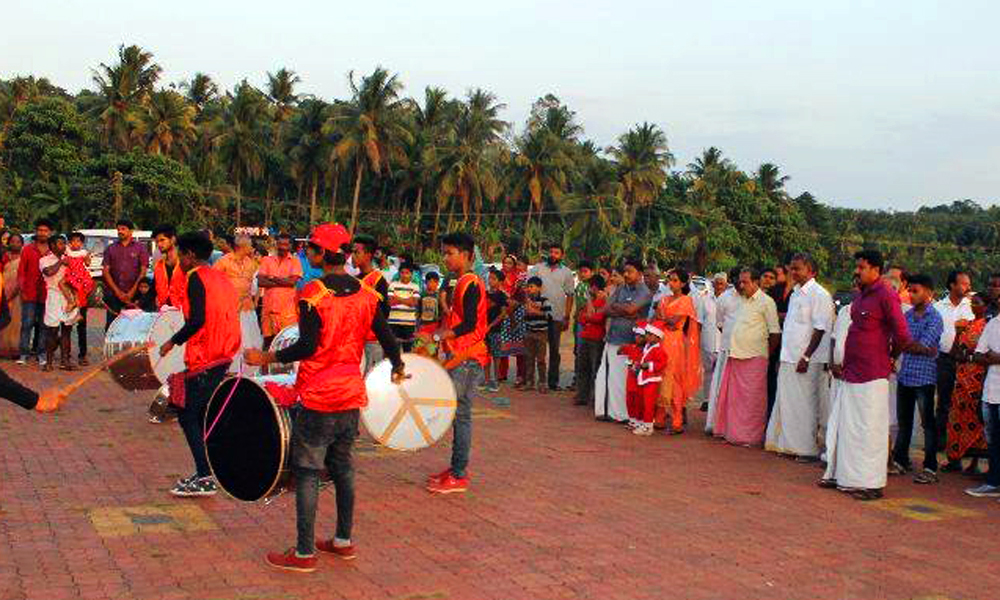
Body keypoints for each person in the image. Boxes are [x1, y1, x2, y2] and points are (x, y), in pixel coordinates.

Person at [244, 223, 404, 573]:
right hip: (349, 394)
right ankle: (342, 540)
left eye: (311, 249)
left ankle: (304, 553)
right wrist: (398, 365)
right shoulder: (365, 293)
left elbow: (306, 346)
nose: (309, 254)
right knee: (344, 468)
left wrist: (265, 358)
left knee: (307, 472)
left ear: (319, 253)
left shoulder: (314, 292)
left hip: (318, 395)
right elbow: (387, 335)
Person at [820, 250, 912, 501]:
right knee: (849, 427)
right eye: (857, 267)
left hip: (873, 374)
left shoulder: (886, 295)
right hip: (851, 371)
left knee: (870, 429)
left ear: (876, 270)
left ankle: (871, 484)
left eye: (861, 267)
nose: (857, 271)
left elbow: (903, 335)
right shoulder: (860, 296)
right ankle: (846, 477)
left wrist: (891, 356)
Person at [158, 232, 242, 498]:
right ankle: (206, 469)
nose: (180, 259)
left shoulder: (196, 277)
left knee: (188, 415)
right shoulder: (221, 277)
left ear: (190, 255)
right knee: (202, 414)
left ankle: (206, 476)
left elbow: (197, 320)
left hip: (206, 355)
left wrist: (172, 341)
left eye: (181, 254)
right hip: (223, 352)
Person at [418, 232, 488, 495]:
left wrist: (437, 335)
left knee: (461, 416)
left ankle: (459, 474)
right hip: (463, 356)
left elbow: (469, 323)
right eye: (445, 252)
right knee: (458, 416)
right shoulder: (463, 281)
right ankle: (455, 469)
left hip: (468, 358)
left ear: (467, 255)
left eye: (450, 253)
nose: (445, 257)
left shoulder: (470, 282)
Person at [765, 253, 834, 461]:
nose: (793, 273)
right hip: (788, 356)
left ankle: (806, 449)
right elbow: (791, 327)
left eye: (798, 269)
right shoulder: (795, 293)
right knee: (787, 402)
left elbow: (820, 328)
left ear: (811, 271)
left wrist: (806, 356)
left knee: (805, 404)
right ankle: (787, 445)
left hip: (806, 359)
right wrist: (782, 357)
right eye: (791, 269)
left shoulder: (819, 294)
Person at [713, 268, 781, 446]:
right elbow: (725, 323)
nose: (741, 286)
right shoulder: (739, 299)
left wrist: (765, 354)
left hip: (756, 357)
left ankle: (750, 437)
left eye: (746, 282)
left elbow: (774, 333)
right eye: (740, 282)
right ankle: (733, 434)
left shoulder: (767, 302)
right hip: (735, 354)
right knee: (734, 400)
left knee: (753, 401)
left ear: (756, 282)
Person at [889, 273, 944, 484]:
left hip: (924, 379)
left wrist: (906, 344)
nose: (910, 295)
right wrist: (906, 347)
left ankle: (930, 467)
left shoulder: (935, 317)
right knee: (904, 423)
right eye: (909, 290)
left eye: (915, 290)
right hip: (905, 375)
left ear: (929, 293)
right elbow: (903, 342)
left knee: (927, 424)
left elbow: (923, 346)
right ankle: (901, 461)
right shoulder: (908, 315)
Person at [594, 258, 651, 422]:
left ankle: (624, 415)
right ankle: (610, 412)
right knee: (609, 378)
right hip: (612, 338)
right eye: (625, 271)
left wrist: (621, 309)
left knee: (623, 380)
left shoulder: (644, 292)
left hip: (630, 342)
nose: (626, 274)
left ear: (639, 274)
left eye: (630, 271)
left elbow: (632, 309)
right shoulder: (621, 288)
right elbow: (605, 309)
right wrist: (625, 311)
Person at [946, 293, 988, 473]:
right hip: (961, 380)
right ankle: (955, 460)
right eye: (972, 303)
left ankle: (975, 462)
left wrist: (968, 356)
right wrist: (957, 334)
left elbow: (985, 356)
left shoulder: (988, 326)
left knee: (976, 422)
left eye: (977, 303)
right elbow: (954, 353)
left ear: (985, 306)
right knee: (956, 419)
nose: (973, 306)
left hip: (977, 381)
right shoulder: (967, 325)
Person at [655, 269, 701, 434]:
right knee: (660, 377)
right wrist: (664, 319)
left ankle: (676, 421)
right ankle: (659, 419)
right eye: (670, 280)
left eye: (675, 280)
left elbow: (673, 323)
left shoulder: (685, 300)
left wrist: (663, 318)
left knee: (674, 379)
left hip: (675, 343)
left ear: (682, 283)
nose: (671, 283)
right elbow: (658, 319)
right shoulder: (664, 299)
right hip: (661, 341)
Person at [933, 270, 974, 451]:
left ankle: (962, 443)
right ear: (952, 285)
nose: (968, 287)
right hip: (944, 359)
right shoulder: (938, 307)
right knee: (944, 401)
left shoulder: (973, 306)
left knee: (964, 402)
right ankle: (940, 440)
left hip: (967, 361)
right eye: (964, 283)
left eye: (968, 284)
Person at [528, 242, 575, 391]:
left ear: (562, 255)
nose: (553, 255)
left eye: (556, 253)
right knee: (533, 351)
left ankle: (552, 382)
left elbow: (570, 295)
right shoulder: (538, 268)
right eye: (551, 252)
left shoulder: (567, 273)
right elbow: (528, 288)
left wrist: (567, 316)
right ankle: (531, 381)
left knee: (554, 350)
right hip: (537, 317)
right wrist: (530, 306)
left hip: (556, 317)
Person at [214, 234, 263, 373]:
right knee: (232, 341)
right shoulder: (223, 262)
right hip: (228, 309)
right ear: (241, 247)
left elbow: (256, 285)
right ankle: (231, 371)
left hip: (247, 308)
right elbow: (212, 283)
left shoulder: (252, 263)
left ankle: (250, 371)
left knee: (251, 339)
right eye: (250, 245)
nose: (252, 248)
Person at [705, 270, 741, 433]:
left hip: (745, 353)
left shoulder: (755, 298)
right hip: (726, 349)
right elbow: (720, 324)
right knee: (720, 387)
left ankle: (736, 425)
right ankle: (717, 424)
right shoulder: (725, 299)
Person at [39, 235, 80, 371]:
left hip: (69, 297)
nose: (63, 246)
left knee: (67, 330)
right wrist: (61, 262)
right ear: (52, 246)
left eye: (64, 243)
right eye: (60, 243)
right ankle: (48, 362)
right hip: (54, 296)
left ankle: (65, 361)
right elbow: (49, 272)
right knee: (52, 330)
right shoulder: (44, 260)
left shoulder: (70, 259)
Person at [103, 219, 150, 332]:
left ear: (131, 231)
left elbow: (143, 271)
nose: (120, 231)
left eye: (123, 229)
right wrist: (117, 292)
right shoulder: (110, 248)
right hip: (113, 294)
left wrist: (132, 292)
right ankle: (112, 349)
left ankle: (132, 349)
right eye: (118, 229)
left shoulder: (140, 248)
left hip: (134, 295)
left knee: (133, 326)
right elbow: (105, 271)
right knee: (111, 327)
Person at [257, 233, 303, 349]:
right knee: (267, 344)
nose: (282, 247)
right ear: (276, 244)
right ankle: (265, 367)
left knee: (286, 345)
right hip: (269, 310)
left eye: (285, 244)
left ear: (290, 246)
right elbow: (261, 282)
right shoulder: (266, 260)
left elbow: (292, 283)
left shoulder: (295, 261)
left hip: (286, 313)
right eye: (280, 243)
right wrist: (284, 281)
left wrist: (272, 278)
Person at [17, 219, 52, 365]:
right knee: (27, 324)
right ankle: (23, 354)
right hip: (29, 294)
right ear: (36, 232)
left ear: (50, 233)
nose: (42, 233)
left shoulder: (53, 250)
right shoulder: (27, 249)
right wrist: (22, 289)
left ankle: (41, 354)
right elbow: (21, 272)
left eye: (45, 231)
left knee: (44, 326)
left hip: (47, 294)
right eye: (40, 230)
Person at [353, 234, 390, 371]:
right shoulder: (354, 279)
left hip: (372, 340)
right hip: (355, 340)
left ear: (368, 255)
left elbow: (384, 312)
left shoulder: (378, 280)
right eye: (352, 251)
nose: (353, 255)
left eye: (357, 252)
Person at [576, 274, 607, 408]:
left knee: (595, 368)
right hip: (586, 336)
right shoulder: (593, 301)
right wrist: (589, 315)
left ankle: (595, 398)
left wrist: (589, 314)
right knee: (583, 367)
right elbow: (581, 317)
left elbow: (597, 318)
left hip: (596, 338)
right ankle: (583, 396)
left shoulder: (602, 301)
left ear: (594, 287)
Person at [633, 322, 668, 436]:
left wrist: (648, 365)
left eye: (649, 335)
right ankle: (644, 423)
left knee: (649, 404)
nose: (647, 337)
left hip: (652, 380)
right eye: (647, 334)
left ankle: (648, 426)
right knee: (643, 402)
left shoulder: (658, 349)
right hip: (645, 378)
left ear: (657, 337)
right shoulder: (648, 347)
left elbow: (662, 364)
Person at [65, 232, 93, 365]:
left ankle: (83, 355)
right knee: (66, 326)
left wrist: (87, 257)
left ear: (82, 243)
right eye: (73, 241)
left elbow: (88, 263)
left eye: (78, 241)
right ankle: (66, 354)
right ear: (69, 242)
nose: (75, 243)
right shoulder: (66, 252)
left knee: (82, 326)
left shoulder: (83, 253)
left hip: (81, 284)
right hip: (70, 284)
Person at [522, 276, 552, 393]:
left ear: (539, 288)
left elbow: (548, 316)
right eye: (528, 287)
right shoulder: (527, 301)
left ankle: (542, 382)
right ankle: (529, 382)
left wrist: (535, 311)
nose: (529, 289)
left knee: (541, 359)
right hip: (529, 331)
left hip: (541, 333)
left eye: (532, 287)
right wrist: (527, 309)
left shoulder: (544, 300)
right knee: (529, 358)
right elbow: (525, 316)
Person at [483, 268, 509, 392]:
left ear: (500, 282)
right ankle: (486, 379)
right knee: (485, 354)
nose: (490, 281)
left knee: (496, 355)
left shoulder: (502, 296)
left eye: (493, 279)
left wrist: (492, 325)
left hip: (496, 330)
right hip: (484, 329)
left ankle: (496, 380)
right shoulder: (484, 294)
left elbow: (503, 313)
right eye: (489, 278)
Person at [694, 276, 718, 404]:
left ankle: (717, 400)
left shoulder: (730, 300)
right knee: (708, 371)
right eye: (717, 283)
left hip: (723, 343)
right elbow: (699, 322)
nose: (719, 286)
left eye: (722, 283)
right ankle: (707, 399)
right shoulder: (704, 300)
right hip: (708, 340)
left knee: (721, 373)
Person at [572, 260, 595, 392]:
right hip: (579, 320)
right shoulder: (579, 285)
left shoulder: (592, 287)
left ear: (592, 272)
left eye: (585, 271)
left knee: (583, 351)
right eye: (580, 271)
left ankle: (583, 382)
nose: (582, 274)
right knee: (578, 350)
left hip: (587, 321)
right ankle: (577, 379)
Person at [387, 263, 420, 352]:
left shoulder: (415, 286)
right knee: (393, 350)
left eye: (407, 273)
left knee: (408, 351)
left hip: (409, 323)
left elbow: (414, 303)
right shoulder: (392, 285)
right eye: (402, 273)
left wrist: (397, 298)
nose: (404, 275)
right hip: (393, 322)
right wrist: (408, 300)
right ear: (399, 273)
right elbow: (390, 302)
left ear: (411, 274)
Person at [152, 224, 187, 310]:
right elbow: (154, 289)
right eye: (157, 242)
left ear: (173, 239)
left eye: (162, 240)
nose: (159, 244)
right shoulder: (158, 266)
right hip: (164, 313)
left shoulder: (186, 264)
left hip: (184, 312)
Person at [0, 234, 23, 358]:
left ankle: (15, 348)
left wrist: (14, 292)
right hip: (3, 292)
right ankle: (3, 348)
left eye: (18, 242)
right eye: (12, 241)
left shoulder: (24, 258)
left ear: (22, 244)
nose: (15, 244)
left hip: (18, 294)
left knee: (16, 321)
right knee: (3, 319)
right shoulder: (4, 257)